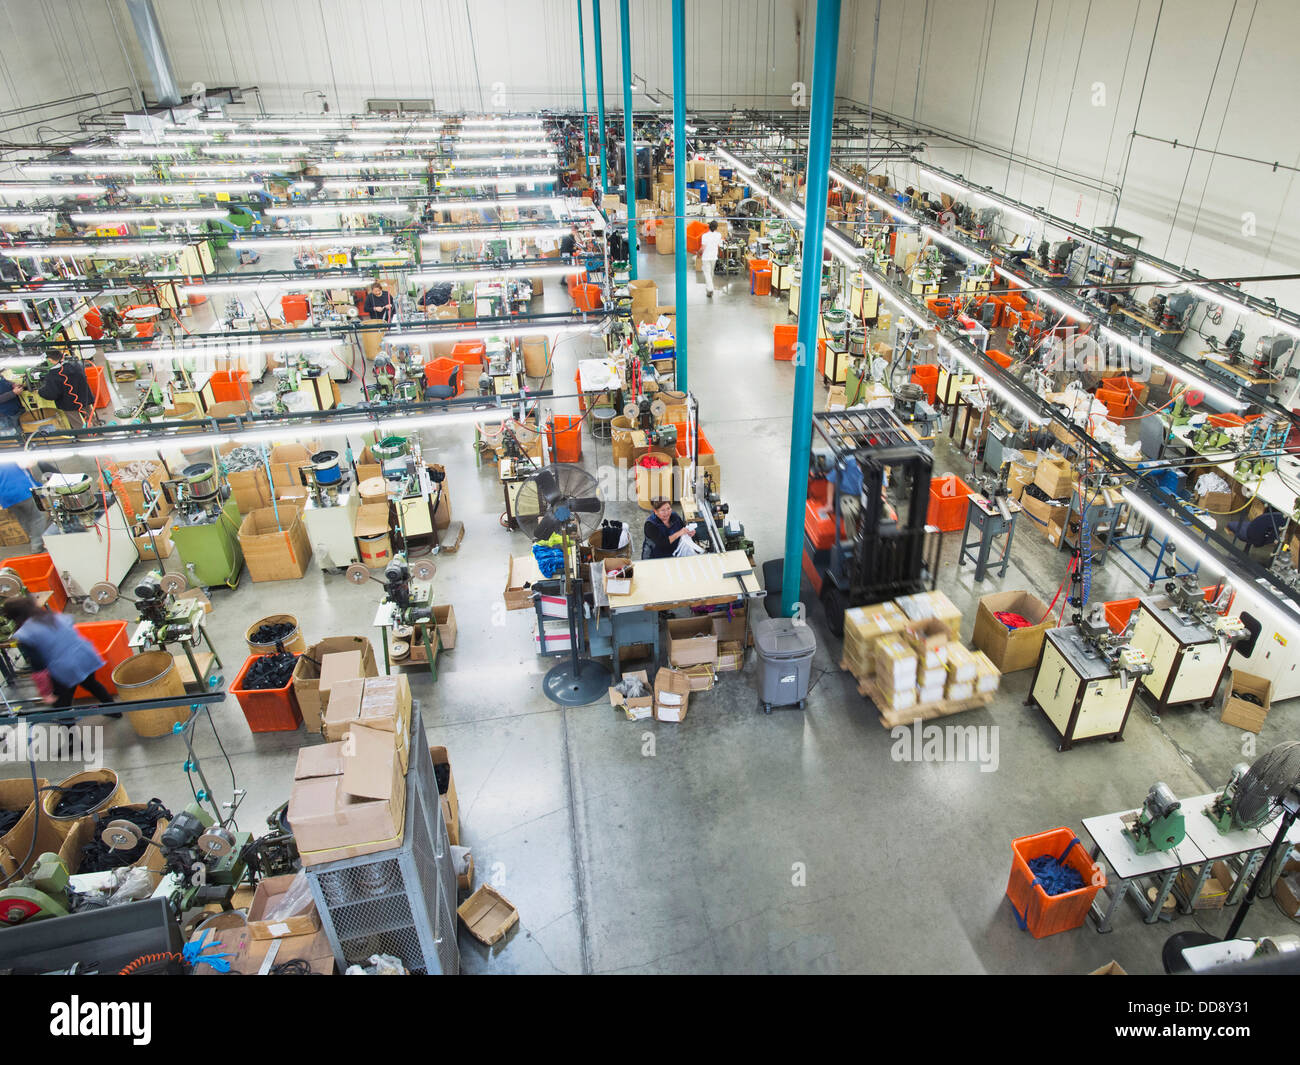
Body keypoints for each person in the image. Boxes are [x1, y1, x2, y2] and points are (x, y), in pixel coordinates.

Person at [2, 596, 119, 719]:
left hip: (65, 668)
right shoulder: (54, 616)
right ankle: (115, 711)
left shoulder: (26, 634)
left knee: (61, 706)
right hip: (85, 656)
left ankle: (69, 730)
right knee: (92, 684)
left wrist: (46, 693)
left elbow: (38, 666)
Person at [37, 353, 94, 427]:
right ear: (62, 356)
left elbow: (52, 394)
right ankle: (98, 431)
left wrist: (40, 391)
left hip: (69, 405)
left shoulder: (52, 375)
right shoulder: (76, 365)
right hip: (85, 398)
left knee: (78, 425)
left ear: (50, 360)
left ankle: (84, 434)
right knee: (91, 419)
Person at [699, 220, 723, 298]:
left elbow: (703, 248)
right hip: (714, 257)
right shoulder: (719, 235)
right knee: (711, 273)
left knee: (707, 273)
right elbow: (719, 245)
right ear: (716, 227)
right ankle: (709, 289)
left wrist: (698, 253)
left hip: (706, 257)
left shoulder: (705, 236)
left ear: (709, 227)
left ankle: (710, 289)